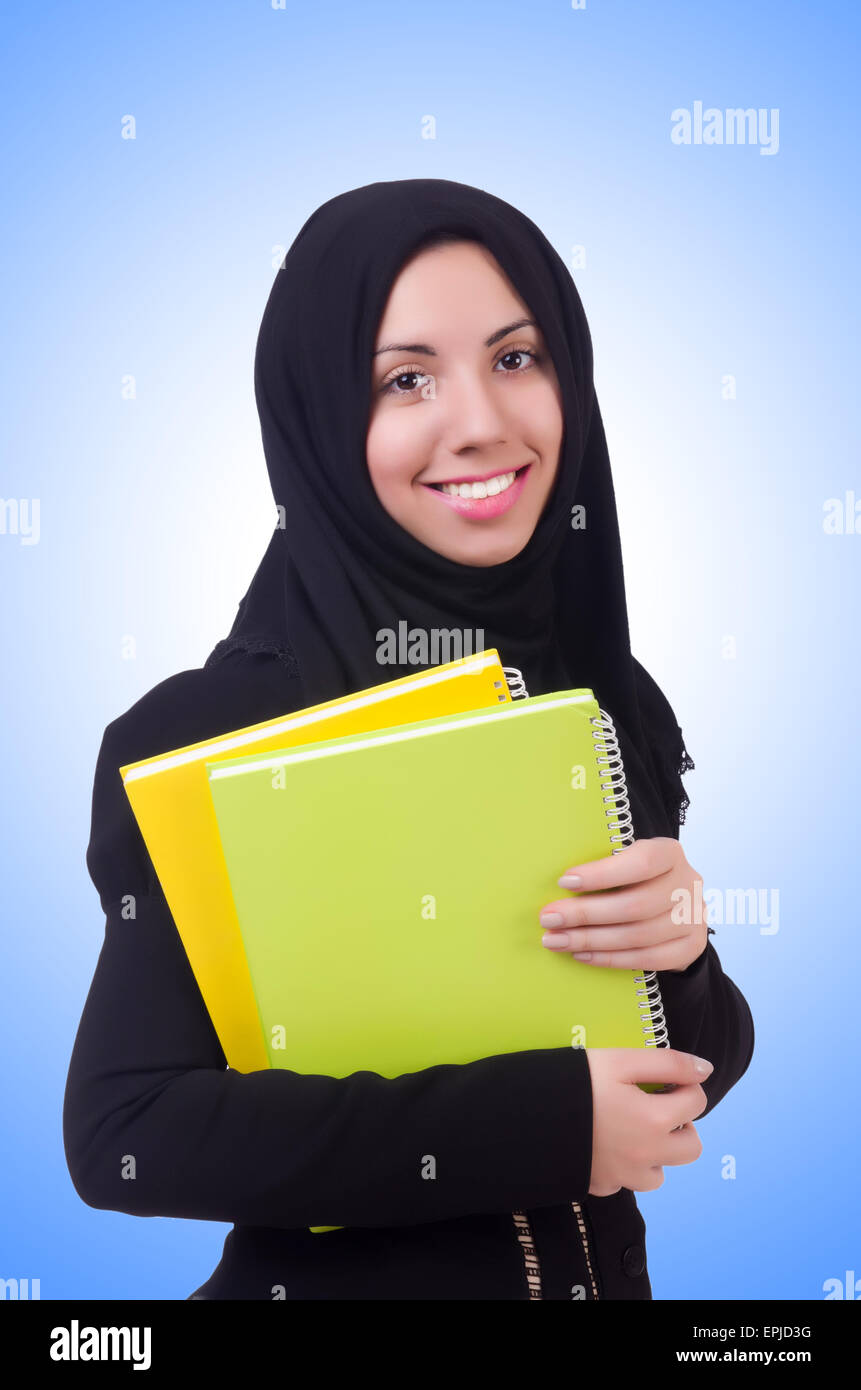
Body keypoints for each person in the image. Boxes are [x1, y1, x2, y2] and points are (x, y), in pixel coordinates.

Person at [63, 178, 754, 1301]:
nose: (481, 420)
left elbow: (678, 1072)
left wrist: (683, 947)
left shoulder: (601, 692)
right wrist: (542, 1123)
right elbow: (126, 1132)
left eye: (518, 357)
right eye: (406, 378)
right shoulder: (210, 734)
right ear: (321, 418)